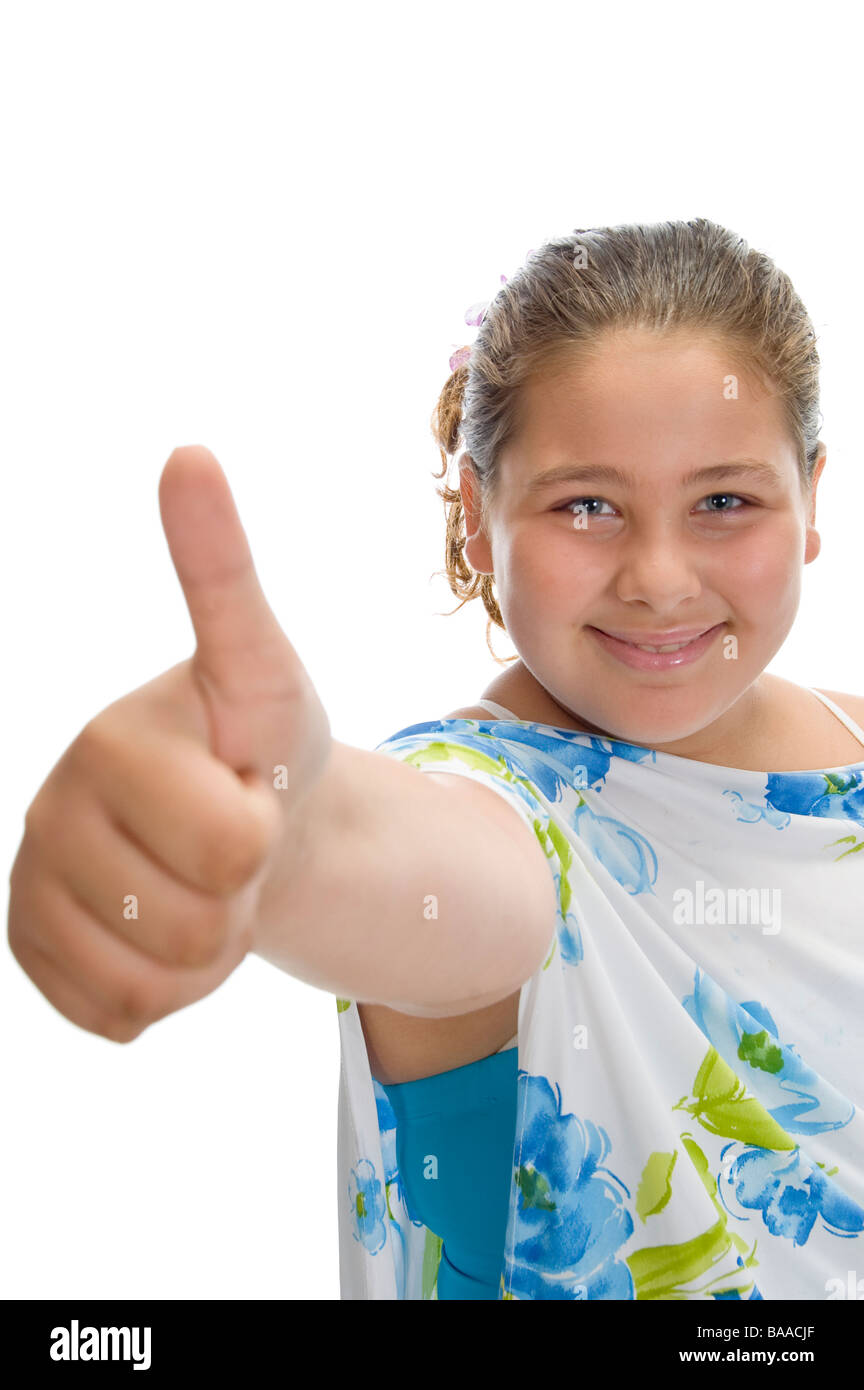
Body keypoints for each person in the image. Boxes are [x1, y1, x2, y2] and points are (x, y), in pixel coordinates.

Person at [8, 219, 864, 1304]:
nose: (659, 576)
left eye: (725, 501)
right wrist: (280, 825)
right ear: (477, 515)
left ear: (812, 501)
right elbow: (418, 868)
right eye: (588, 505)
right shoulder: (497, 807)